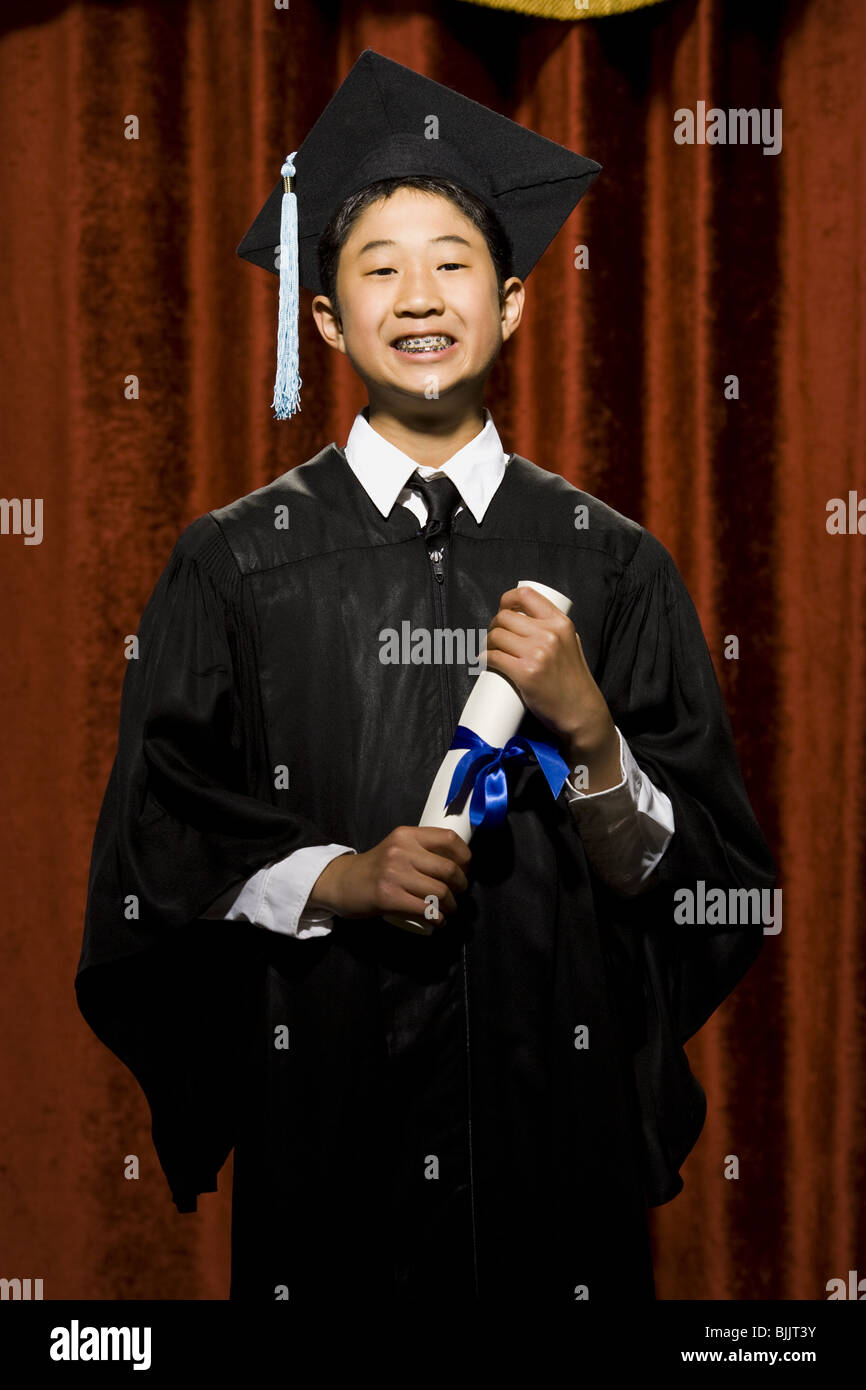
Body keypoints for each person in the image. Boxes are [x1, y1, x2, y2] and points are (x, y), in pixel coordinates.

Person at [75, 49, 775, 1305]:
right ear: (328, 318)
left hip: (553, 1134)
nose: (419, 292)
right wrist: (338, 878)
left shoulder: (608, 565)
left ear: (510, 303)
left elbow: (715, 889)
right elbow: (156, 851)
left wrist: (595, 740)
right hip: (330, 1116)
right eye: (378, 265)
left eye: (452, 261)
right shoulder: (235, 564)